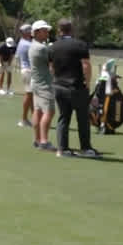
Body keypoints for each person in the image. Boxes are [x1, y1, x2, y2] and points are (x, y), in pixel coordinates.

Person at [50, 19, 99, 158]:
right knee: (83, 118)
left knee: (63, 118)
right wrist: (87, 82)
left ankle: (62, 149)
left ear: (59, 31)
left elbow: (51, 67)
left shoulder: (53, 46)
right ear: (72, 30)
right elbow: (86, 65)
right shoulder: (80, 45)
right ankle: (85, 148)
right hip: (76, 86)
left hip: (59, 85)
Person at [28, 20, 56, 150]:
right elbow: (52, 64)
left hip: (36, 82)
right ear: (37, 32)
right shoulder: (41, 48)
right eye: (44, 30)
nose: (47, 33)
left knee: (38, 111)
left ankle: (37, 139)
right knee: (49, 111)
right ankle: (44, 141)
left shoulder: (34, 45)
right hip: (44, 83)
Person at [14, 23, 33, 127]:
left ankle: (33, 118)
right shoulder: (27, 44)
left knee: (31, 96)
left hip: (26, 70)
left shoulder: (22, 42)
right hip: (28, 71)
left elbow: (17, 56)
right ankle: (24, 119)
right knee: (29, 95)